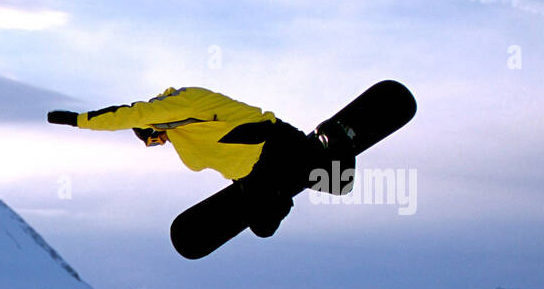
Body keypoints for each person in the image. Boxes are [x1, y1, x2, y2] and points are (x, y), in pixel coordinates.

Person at [48, 87, 345, 237]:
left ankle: (323, 145)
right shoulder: (181, 133)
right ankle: (295, 179)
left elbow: (128, 115)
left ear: (154, 125)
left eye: (154, 138)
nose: (159, 142)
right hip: (253, 174)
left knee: (339, 181)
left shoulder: (178, 105)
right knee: (263, 227)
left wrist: (79, 120)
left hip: (274, 145)